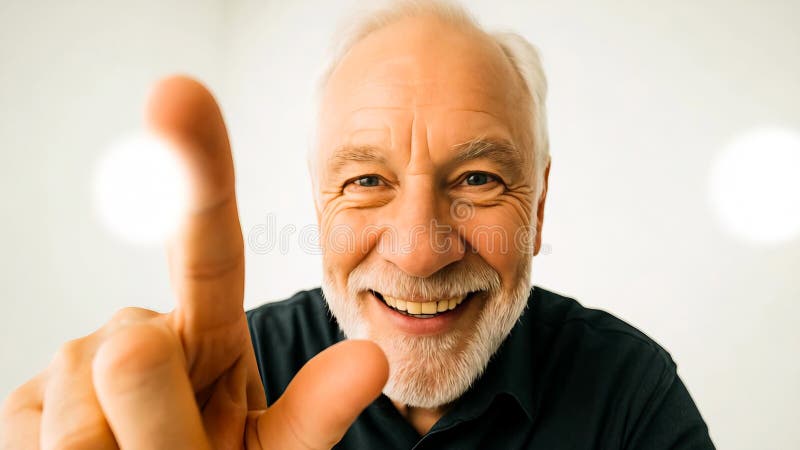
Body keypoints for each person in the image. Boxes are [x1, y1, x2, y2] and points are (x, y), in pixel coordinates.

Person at [0, 1, 715, 449]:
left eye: (478, 179)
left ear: (540, 204)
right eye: (366, 180)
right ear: (319, 203)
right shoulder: (221, 386)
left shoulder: (629, 391)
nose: (417, 253)